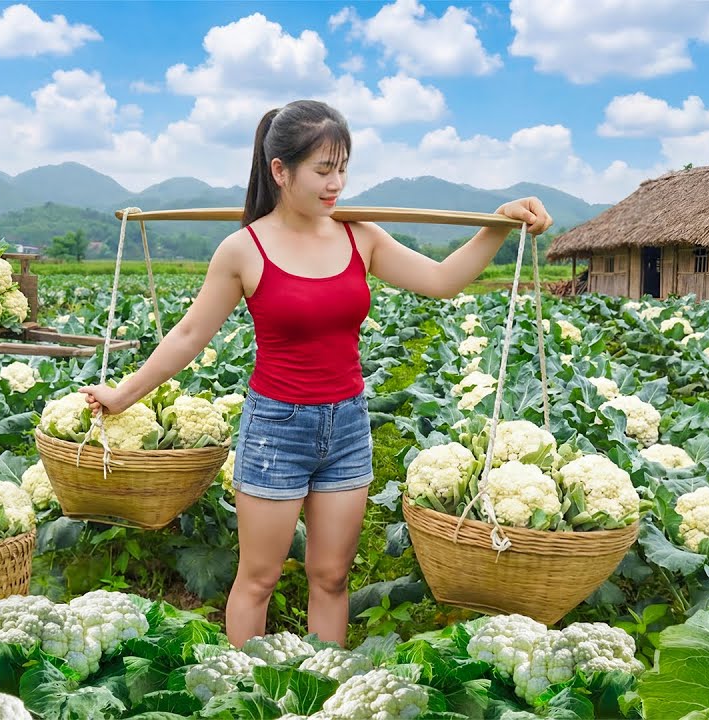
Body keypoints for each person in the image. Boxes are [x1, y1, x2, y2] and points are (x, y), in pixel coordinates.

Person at [80, 99, 552, 648]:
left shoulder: (361, 237)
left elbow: (443, 280)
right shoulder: (243, 249)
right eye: (323, 171)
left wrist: (498, 223)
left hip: (348, 427)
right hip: (276, 430)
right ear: (281, 171)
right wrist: (122, 396)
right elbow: (187, 336)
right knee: (259, 579)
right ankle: (247, 693)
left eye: (343, 169)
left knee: (331, 577)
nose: (336, 185)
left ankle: (325, 688)